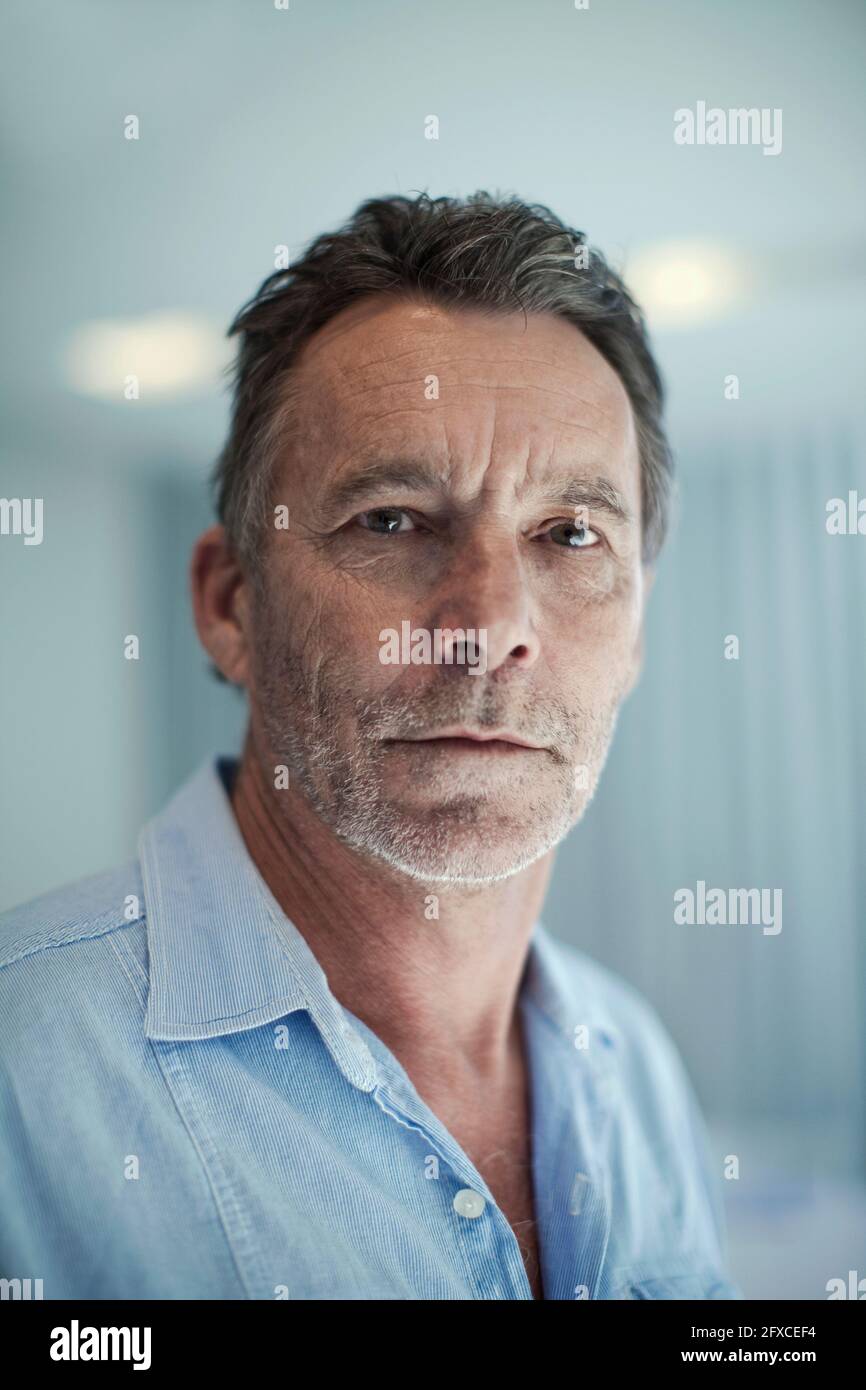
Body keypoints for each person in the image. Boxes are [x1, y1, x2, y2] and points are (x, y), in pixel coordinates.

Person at [0, 192, 741, 1300]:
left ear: (633, 628)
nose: (489, 625)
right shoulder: (23, 1081)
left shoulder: (629, 1063)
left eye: (570, 533)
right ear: (229, 602)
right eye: (391, 519)